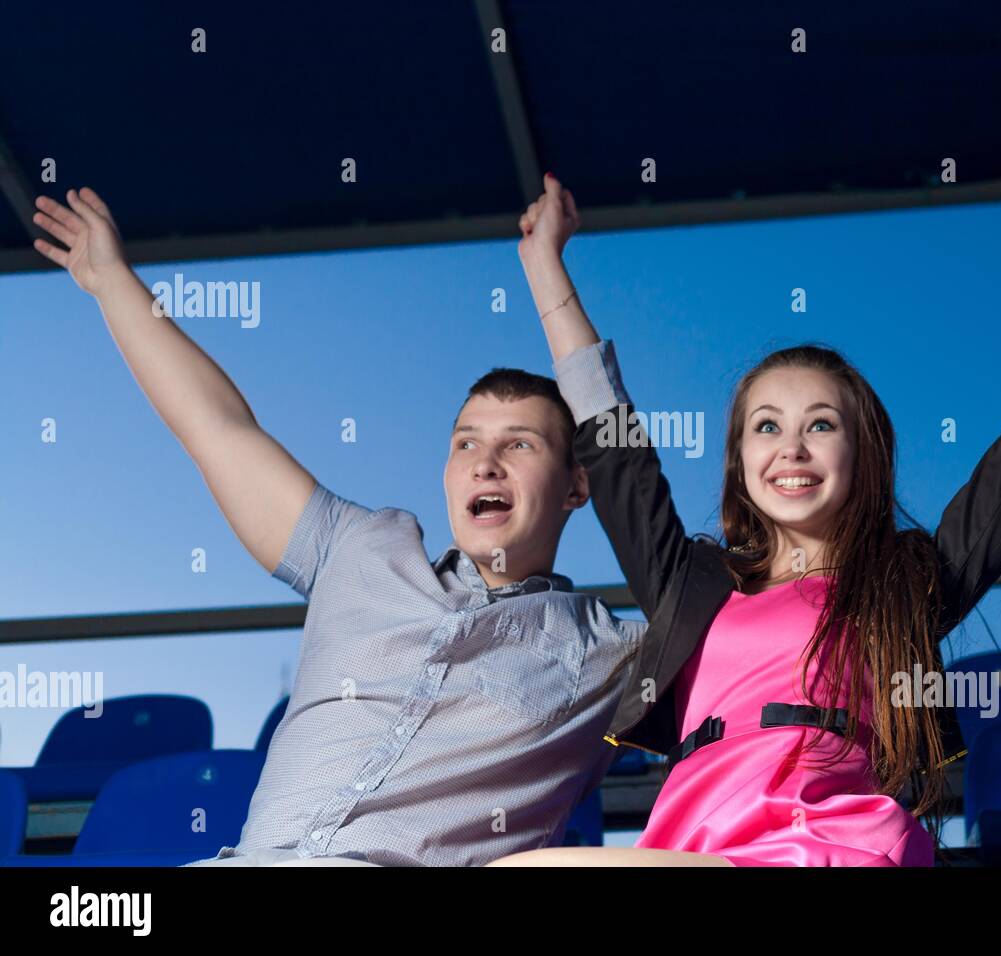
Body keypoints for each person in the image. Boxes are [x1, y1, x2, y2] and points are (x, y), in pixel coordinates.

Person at [489, 175, 1001, 866]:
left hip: (831, 840)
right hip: (691, 844)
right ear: (739, 459)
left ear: (863, 452)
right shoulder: (691, 583)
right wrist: (543, 262)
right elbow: (609, 435)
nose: (792, 449)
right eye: (767, 428)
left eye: (821, 425)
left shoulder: (905, 581)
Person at [30, 188, 642, 866]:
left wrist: (548, 275)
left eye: (519, 444)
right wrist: (113, 283)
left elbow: (628, 470)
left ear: (578, 484)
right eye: (466, 443)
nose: (485, 464)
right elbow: (216, 429)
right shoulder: (360, 548)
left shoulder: (614, 657)